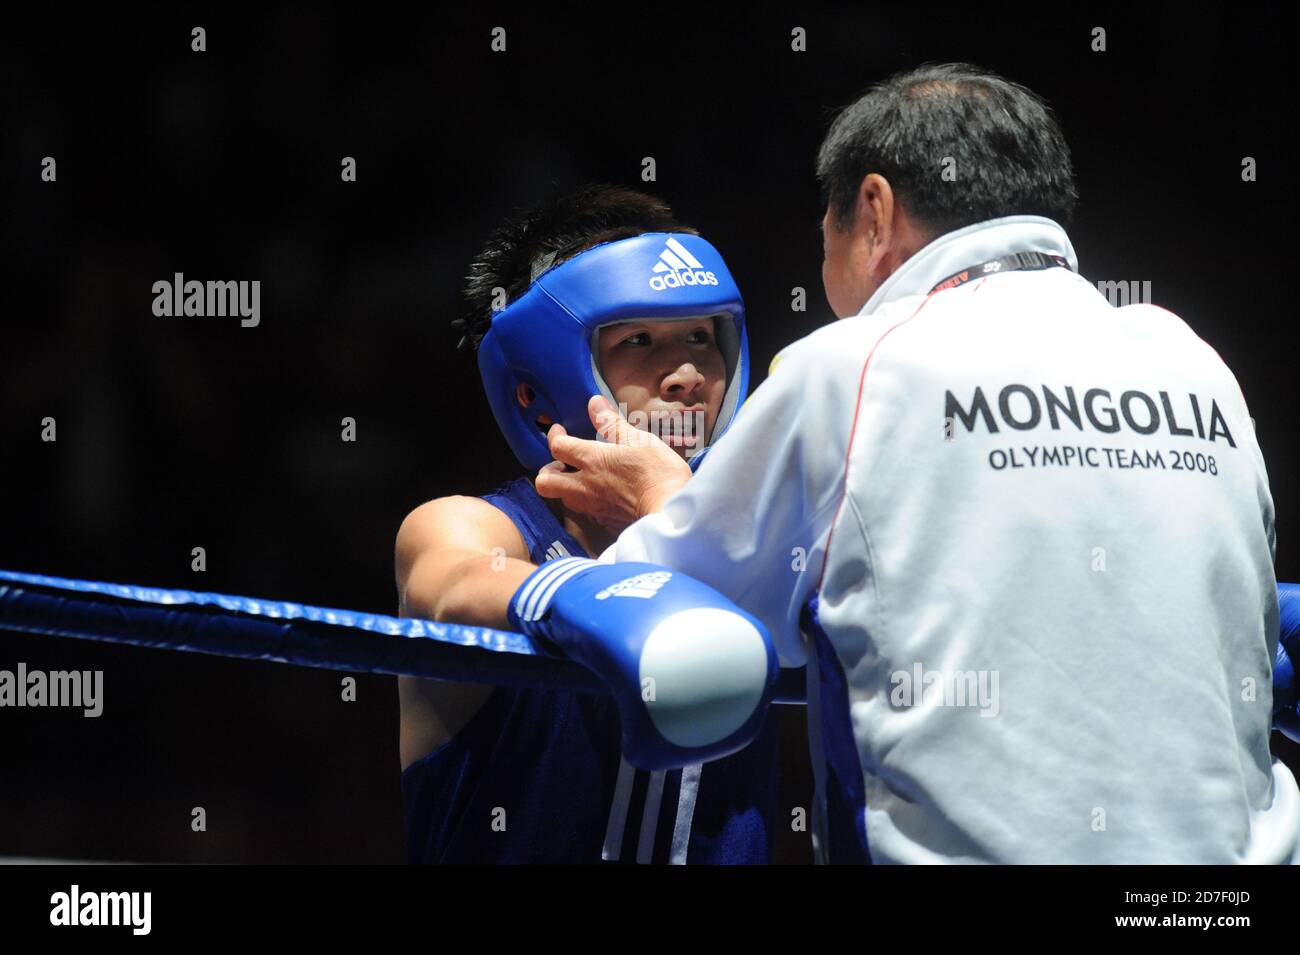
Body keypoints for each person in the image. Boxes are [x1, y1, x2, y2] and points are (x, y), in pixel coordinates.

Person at [534, 64, 1300, 863]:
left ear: (872, 210)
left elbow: (689, 625)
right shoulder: (1191, 356)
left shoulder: (854, 362)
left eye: (821, 234)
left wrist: (669, 502)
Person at [395, 184, 781, 864]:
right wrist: (680, 520)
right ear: (537, 393)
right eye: (639, 340)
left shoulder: (775, 539)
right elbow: (453, 586)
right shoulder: (471, 528)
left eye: (701, 335)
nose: (688, 375)